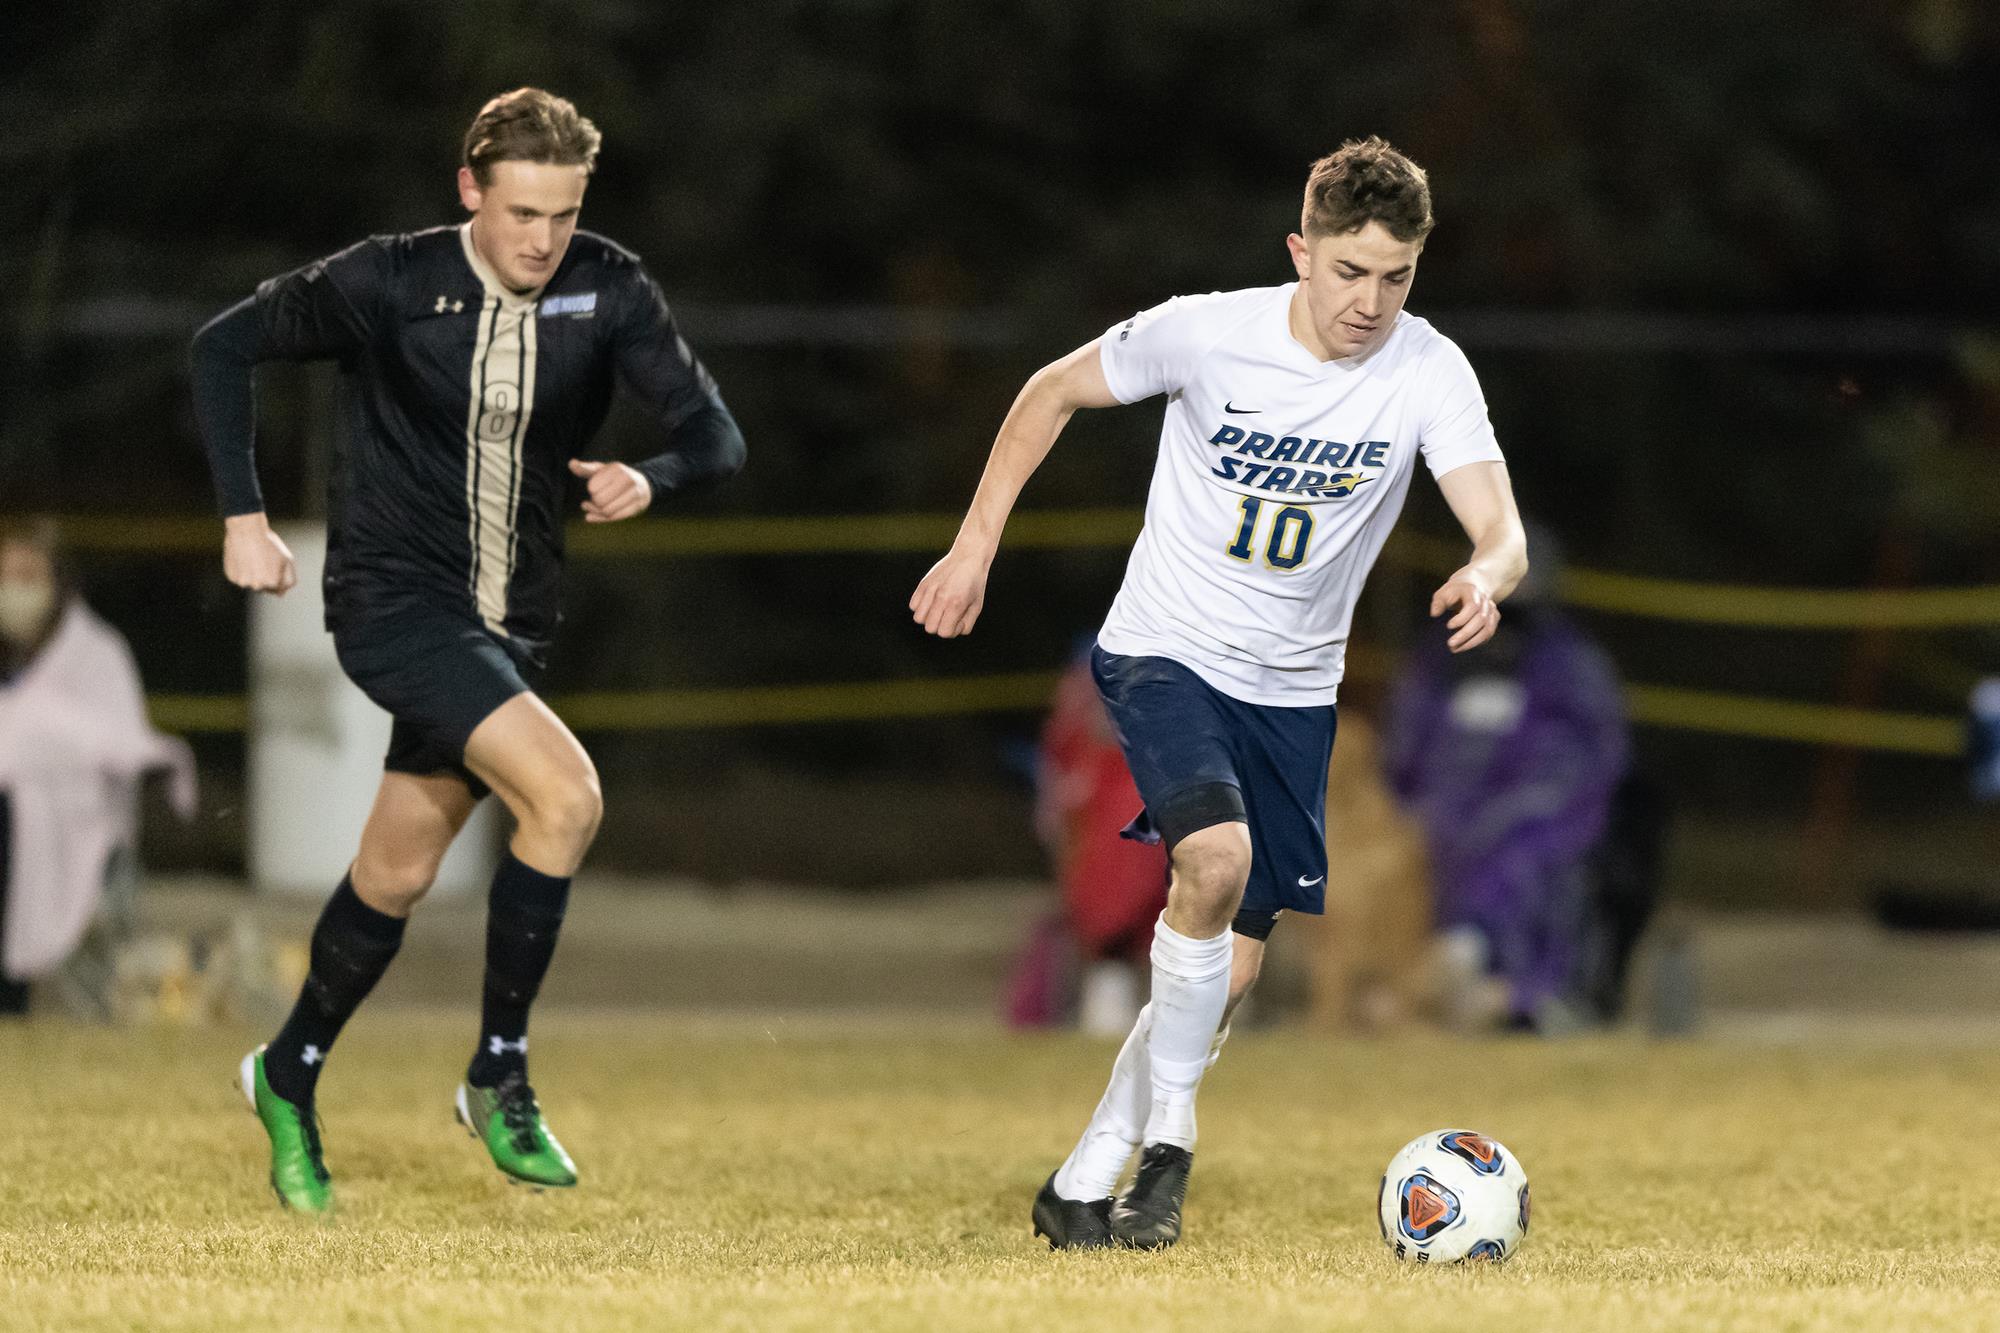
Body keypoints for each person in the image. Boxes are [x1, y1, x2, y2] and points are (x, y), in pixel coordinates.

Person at [911, 136, 1526, 1249]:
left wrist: (1484, 572)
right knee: (1214, 861)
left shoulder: (1427, 368)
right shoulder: (1206, 332)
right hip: (1162, 652)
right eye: (1347, 272)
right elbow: (1052, 390)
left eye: (1394, 277)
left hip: (1290, 695)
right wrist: (974, 545)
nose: (1368, 301)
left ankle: (1086, 1173)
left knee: (1227, 969)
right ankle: (1172, 1147)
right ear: (1300, 252)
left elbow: (1499, 525)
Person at [189, 88, 745, 1215]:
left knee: (395, 870)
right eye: (522, 210)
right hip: (394, 604)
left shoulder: (609, 285)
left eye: (562, 212)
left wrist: (655, 475)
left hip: (514, 622)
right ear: (470, 191)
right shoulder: (389, 279)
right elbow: (222, 348)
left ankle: (284, 1072)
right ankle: (498, 1066)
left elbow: (714, 435)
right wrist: (243, 515)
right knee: (568, 796)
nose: (543, 238)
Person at [1384, 538, 1643, 1031]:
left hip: (1536, 817)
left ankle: (1500, 980)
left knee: (1524, 859)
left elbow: (1591, 758)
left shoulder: (1568, 663)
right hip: (1446, 815)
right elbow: (1406, 750)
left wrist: (1530, 806)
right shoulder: (1440, 660)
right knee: (1407, 855)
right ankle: (1419, 980)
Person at [0, 518, 196, 1016]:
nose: (12, 590)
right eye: (4, 576)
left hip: (81, 835)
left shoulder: (98, 653)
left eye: (27, 576)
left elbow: (114, 741)